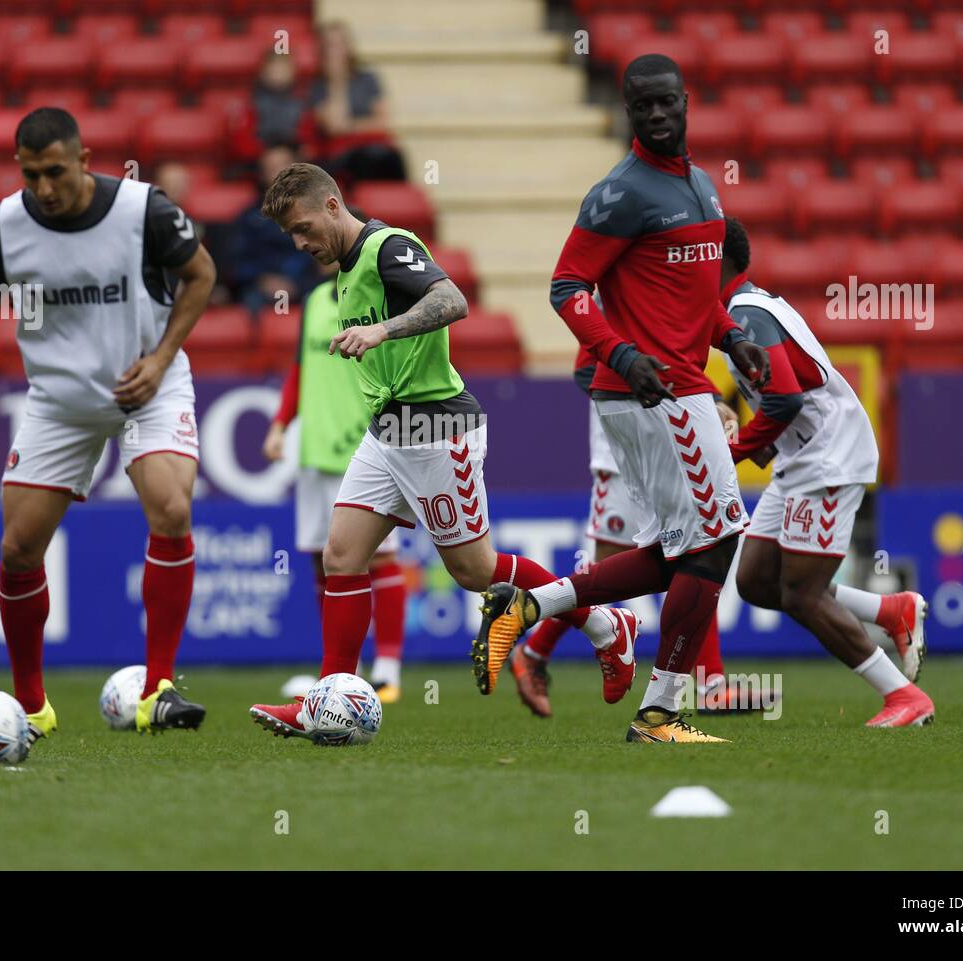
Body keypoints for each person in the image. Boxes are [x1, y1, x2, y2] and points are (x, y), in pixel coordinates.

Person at [248, 163, 635, 740]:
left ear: (332, 205)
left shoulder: (388, 247)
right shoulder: (344, 273)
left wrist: (384, 330)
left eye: (303, 227)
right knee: (341, 557)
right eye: (290, 236)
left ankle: (605, 625)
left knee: (476, 571)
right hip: (387, 432)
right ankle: (324, 702)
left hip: (435, 427)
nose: (300, 243)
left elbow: (451, 299)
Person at [474, 54, 772, 745]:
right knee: (716, 539)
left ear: (685, 101)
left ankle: (531, 607)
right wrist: (623, 353)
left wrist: (733, 339)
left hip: (683, 384)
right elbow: (566, 287)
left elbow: (694, 299)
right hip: (651, 391)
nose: (658, 115)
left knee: (685, 548)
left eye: (667, 103)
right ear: (630, 112)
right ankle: (660, 712)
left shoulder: (702, 186)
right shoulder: (620, 193)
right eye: (644, 107)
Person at [0, 108, 216, 743]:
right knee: (18, 549)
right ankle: (31, 708)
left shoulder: (144, 211)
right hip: (59, 402)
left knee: (171, 508)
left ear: (83, 159)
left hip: (145, 389)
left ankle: (157, 687)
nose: (44, 188)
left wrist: (162, 360)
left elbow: (201, 274)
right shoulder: (8, 220)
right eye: (31, 175)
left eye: (54, 172)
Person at [721, 216, 933, 727]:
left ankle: (904, 696)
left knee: (802, 592)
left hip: (829, 455)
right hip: (802, 455)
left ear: (713, 258)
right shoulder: (742, 312)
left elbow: (787, 398)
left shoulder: (747, 314)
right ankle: (891, 611)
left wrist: (736, 451)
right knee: (754, 581)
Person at [509, 344, 749, 718]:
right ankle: (534, 649)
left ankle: (710, 684)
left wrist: (711, 401)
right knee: (604, 565)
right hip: (621, 460)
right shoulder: (618, 301)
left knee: (699, 551)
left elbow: (678, 361)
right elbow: (586, 372)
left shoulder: (663, 304)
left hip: (666, 455)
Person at [263, 253, 408, 703]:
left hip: (361, 448)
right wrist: (281, 424)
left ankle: (388, 668)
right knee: (321, 560)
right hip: (314, 452)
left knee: (377, 557)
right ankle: (347, 667)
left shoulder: (376, 302)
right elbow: (302, 371)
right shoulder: (313, 301)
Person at [228, 143, 320, 313]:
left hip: (306, 284)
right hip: (261, 288)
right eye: (272, 168)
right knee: (252, 304)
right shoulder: (248, 218)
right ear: (262, 175)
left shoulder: (317, 212)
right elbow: (238, 262)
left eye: (284, 166)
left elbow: (322, 257)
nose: (279, 174)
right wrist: (262, 279)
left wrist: (293, 281)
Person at [309, 22, 406, 182]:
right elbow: (334, 126)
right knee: (362, 161)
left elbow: (382, 121)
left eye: (338, 44)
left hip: (373, 147)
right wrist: (337, 81)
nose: (334, 51)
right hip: (342, 154)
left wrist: (350, 126)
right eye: (329, 45)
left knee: (393, 159)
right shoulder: (318, 86)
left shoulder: (367, 78)